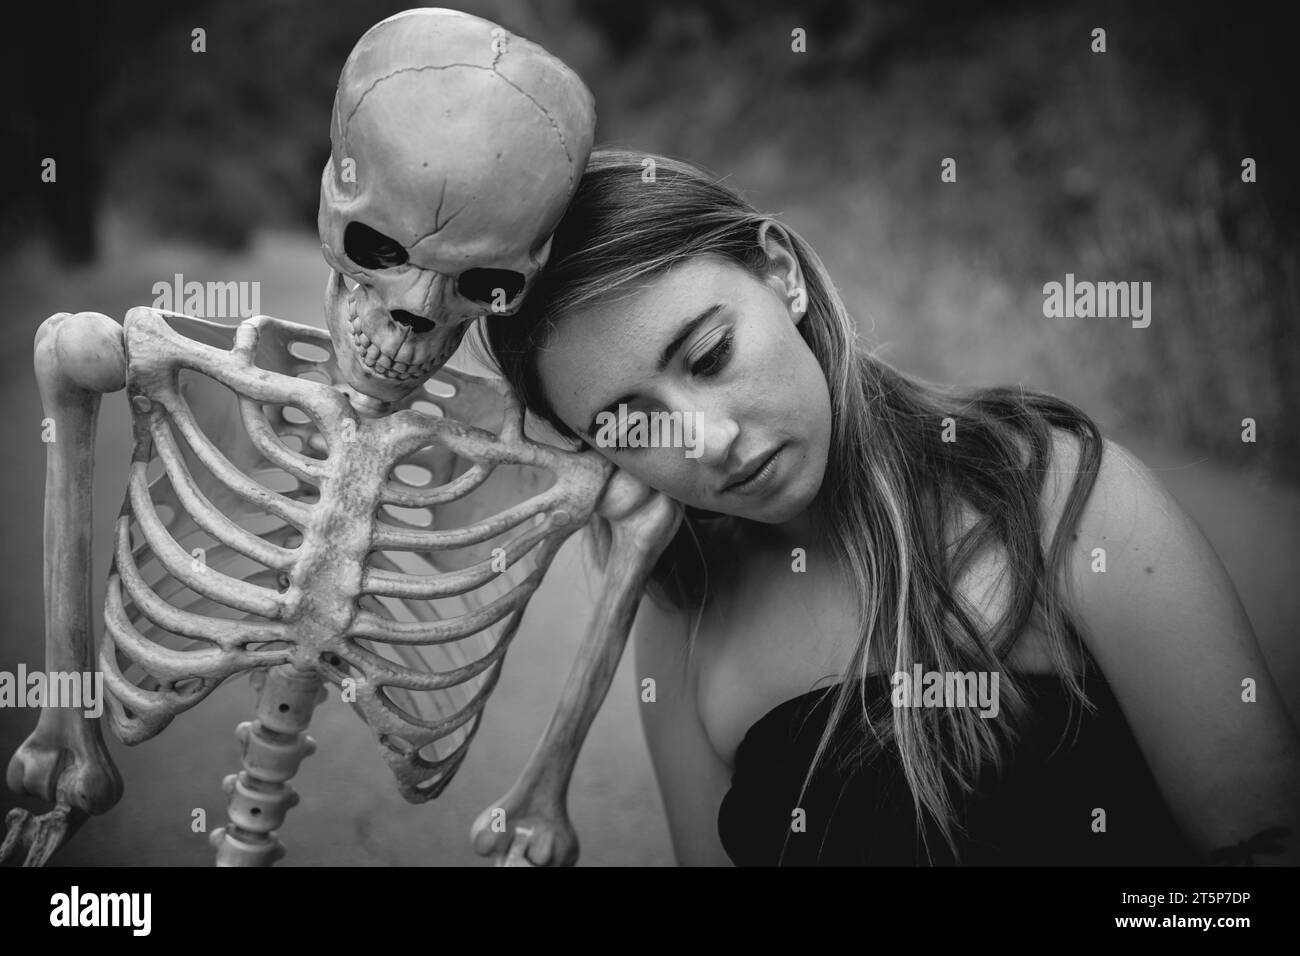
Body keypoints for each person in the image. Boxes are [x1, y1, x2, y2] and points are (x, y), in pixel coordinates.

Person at [473, 147, 1300, 866]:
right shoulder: (682, 622)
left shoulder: (1059, 495)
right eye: (633, 423)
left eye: (710, 354)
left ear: (780, 274)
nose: (709, 439)